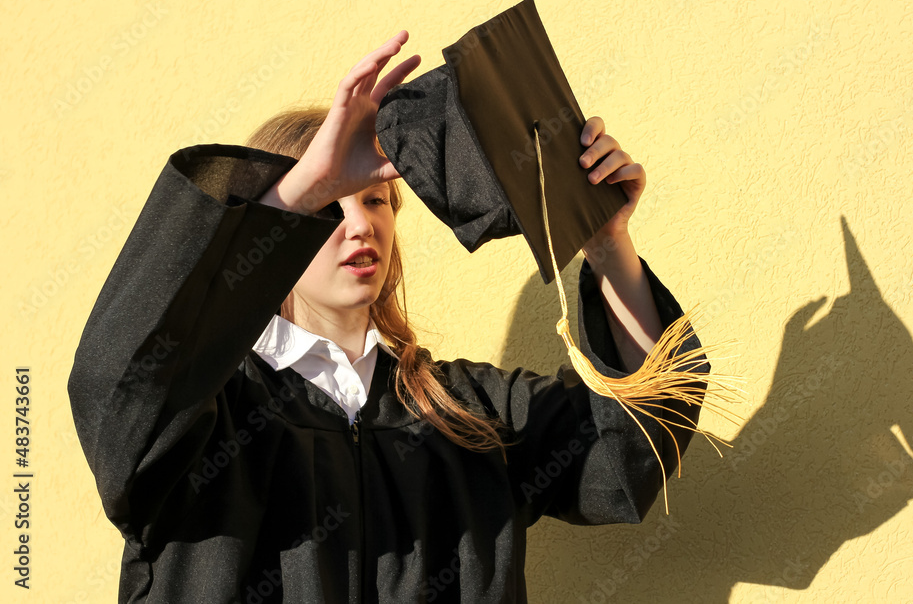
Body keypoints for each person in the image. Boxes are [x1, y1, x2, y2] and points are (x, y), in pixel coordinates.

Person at [68, 30, 709, 603]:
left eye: (374, 199)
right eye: (329, 205)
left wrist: (607, 242)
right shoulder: (208, 420)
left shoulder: (469, 415)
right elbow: (119, 385)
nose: (359, 225)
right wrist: (302, 186)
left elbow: (630, 452)